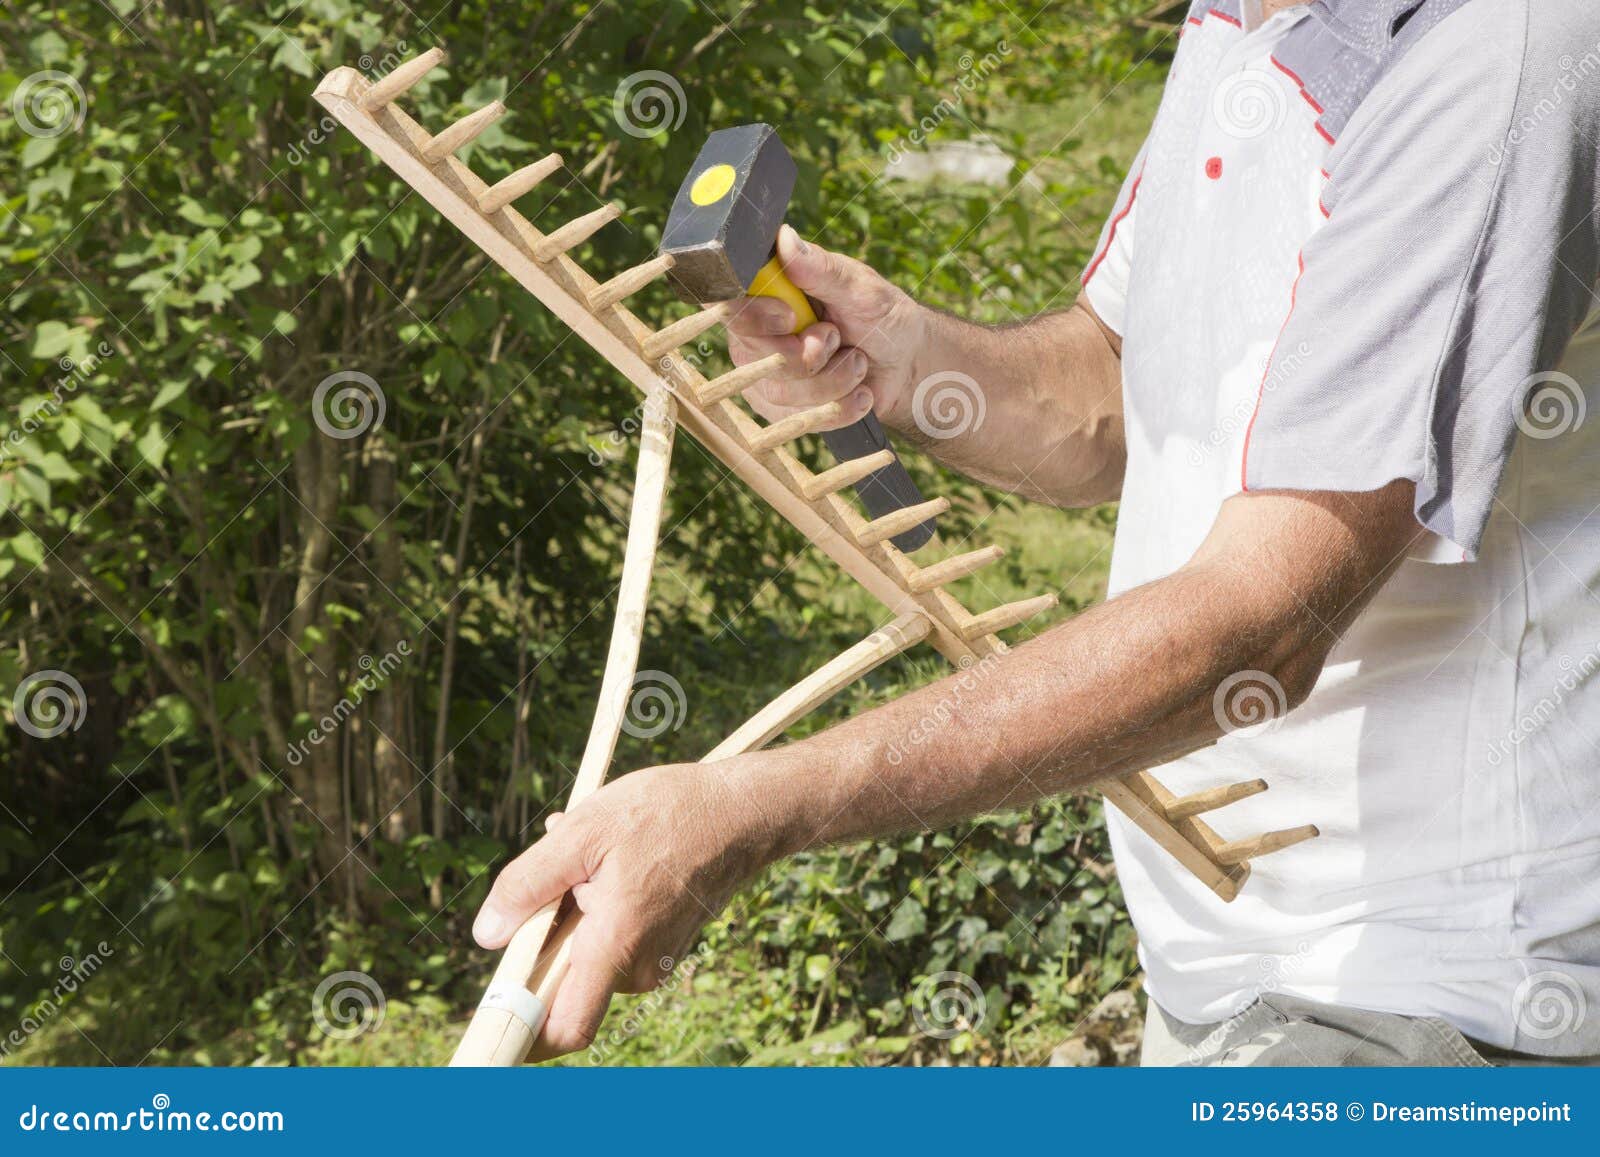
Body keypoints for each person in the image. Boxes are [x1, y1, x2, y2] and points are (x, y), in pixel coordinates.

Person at [474, 0, 1600, 1065]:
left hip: (1430, 987)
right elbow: (1118, 390)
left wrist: (756, 807)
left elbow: (1259, 623)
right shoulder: (1236, 21)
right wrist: (905, 356)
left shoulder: (1497, 51)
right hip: (1220, 963)